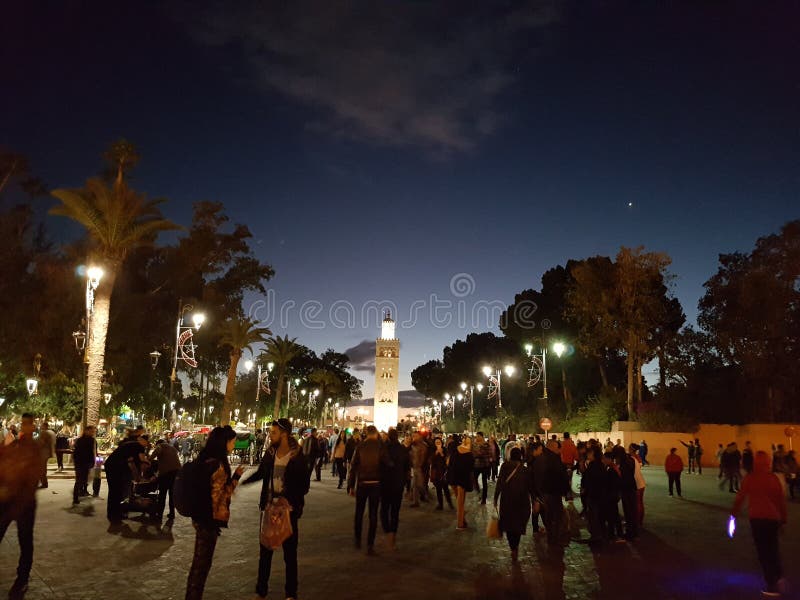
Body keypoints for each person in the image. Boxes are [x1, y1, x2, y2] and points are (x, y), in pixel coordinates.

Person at [241, 418, 308, 600]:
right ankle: (261, 591)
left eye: (273, 433)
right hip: (270, 508)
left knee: (290, 554)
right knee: (265, 552)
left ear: (284, 434)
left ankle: (291, 593)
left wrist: (289, 498)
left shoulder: (297, 456)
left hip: (289, 511)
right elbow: (262, 472)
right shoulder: (270, 453)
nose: (270, 436)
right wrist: (242, 482)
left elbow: (304, 485)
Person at [185, 426, 244, 600]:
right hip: (208, 520)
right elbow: (219, 496)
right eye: (232, 441)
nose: (233, 445)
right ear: (225, 442)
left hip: (199, 516)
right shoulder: (219, 465)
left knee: (198, 564)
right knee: (201, 566)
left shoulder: (205, 459)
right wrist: (235, 478)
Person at [732, 450, 788, 597]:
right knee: (773, 548)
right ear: (768, 463)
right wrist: (783, 519)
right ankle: (778, 576)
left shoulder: (750, 478)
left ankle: (772, 585)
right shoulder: (773, 478)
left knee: (763, 552)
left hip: (757, 519)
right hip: (773, 519)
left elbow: (740, 497)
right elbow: (780, 500)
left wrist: (733, 515)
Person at [0, 413, 43, 599]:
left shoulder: (34, 448)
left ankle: (22, 578)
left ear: (33, 427)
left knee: (25, 541)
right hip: (6, 501)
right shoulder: (13, 444)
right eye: (24, 423)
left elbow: (34, 476)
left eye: (29, 424)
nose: (26, 426)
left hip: (24, 504)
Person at [348, 425, 388, 555]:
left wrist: (350, 486)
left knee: (359, 512)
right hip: (376, 484)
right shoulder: (381, 447)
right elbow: (388, 464)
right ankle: (370, 545)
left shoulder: (360, 446)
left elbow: (353, 467)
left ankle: (357, 539)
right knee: (373, 515)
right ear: (376, 433)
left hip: (362, 483)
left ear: (366, 433)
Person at [494, 447, 533, 561]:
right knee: (518, 524)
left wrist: (496, 498)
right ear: (520, 456)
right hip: (522, 502)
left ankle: (513, 548)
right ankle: (515, 546)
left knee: (509, 524)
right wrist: (535, 499)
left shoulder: (504, 467)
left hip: (507, 500)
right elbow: (530, 487)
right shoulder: (525, 470)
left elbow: (500, 482)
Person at [532, 439, 567, 545]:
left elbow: (534, 477)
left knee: (548, 516)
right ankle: (555, 538)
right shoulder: (553, 459)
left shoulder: (539, 459)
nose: (560, 450)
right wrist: (565, 490)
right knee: (555, 516)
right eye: (558, 448)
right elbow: (560, 476)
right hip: (552, 492)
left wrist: (536, 494)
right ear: (552, 447)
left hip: (543, 493)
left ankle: (551, 537)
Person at [380, 427, 409, 550]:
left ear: (388, 436)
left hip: (385, 484)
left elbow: (379, 466)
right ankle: (393, 536)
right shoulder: (403, 449)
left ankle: (387, 533)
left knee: (384, 510)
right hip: (398, 485)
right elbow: (407, 468)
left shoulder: (383, 449)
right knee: (395, 512)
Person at [448, 434, 474, 530]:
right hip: (462, 478)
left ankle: (462, 520)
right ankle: (460, 524)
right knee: (460, 502)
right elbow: (471, 467)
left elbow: (449, 462)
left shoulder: (455, 449)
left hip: (453, 476)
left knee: (459, 501)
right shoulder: (469, 453)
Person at [151, 438, 182, 519]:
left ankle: (159, 514)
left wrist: (148, 460)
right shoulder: (172, 448)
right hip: (176, 473)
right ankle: (172, 513)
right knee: (172, 494)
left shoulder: (160, 446)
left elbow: (151, 458)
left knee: (162, 494)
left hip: (166, 474)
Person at [72, 425, 98, 506]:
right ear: (86, 431)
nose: (92, 433)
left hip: (85, 463)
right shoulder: (81, 440)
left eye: (93, 431)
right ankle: (76, 497)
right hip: (82, 463)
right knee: (79, 480)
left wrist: (93, 461)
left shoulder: (91, 440)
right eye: (91, 431)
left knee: (84, 479)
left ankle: (82, 492)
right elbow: (76, 452)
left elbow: (94, 452)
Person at [430, 436, 453, 510]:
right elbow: (430, 461)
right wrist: (436, 453)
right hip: (436, 472)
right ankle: (440, 504)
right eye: (436, 443)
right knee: (438, 489)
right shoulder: (433, 450)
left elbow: (447, 460)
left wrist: (442, 454)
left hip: (443, 472)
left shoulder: (445, 450)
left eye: (439, 442)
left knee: (446, 488)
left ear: (441, 443)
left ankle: (450, 503)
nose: (438, 444)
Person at [472, 432, 491, 505]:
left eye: (478, 436)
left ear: (481, 437)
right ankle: (479, 492)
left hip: (484, 465)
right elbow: (473, 453)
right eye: (476, 436)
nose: (476, 438)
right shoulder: (475, 444)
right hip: (476, 465)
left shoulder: (486, 444)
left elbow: (482, 454)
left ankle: (484, 499)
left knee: (484, 482)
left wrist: (476, 452)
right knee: (473, 478)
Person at [37, 421, 56, 488]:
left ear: (44, 426)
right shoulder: (50, 433)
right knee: (43, 469)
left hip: (43, 453)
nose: (40, 426)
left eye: (41, 425)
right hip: (47, 453)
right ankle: (44, 483)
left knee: (42, 469)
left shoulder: (44, 433)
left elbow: (41, 443)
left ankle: (44, 483)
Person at [560, 432, 579, 500]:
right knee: (570, 480)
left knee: (563, 479)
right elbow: (576, 457)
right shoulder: (572, 445)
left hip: (562, 465)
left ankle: (565, 494)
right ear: (569, 436)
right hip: (570, 465)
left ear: (564, 437)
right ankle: (569, 494)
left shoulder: (561, 444)